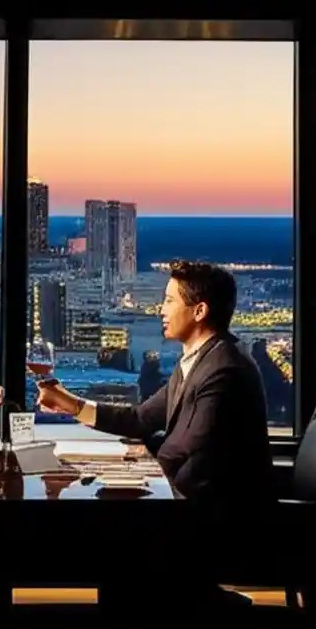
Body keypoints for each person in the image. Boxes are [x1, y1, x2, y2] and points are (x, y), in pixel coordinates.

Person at [36, 261, 275, 609]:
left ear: (199, 310)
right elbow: (140, 419)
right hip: (197, 500)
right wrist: (71, 404)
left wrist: (131, 472)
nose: (159, 309)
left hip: (219, 519)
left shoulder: (225, 370)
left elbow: (192, 454)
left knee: (102, 524)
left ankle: (179, 606)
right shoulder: (199, 359)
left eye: (168, 300)